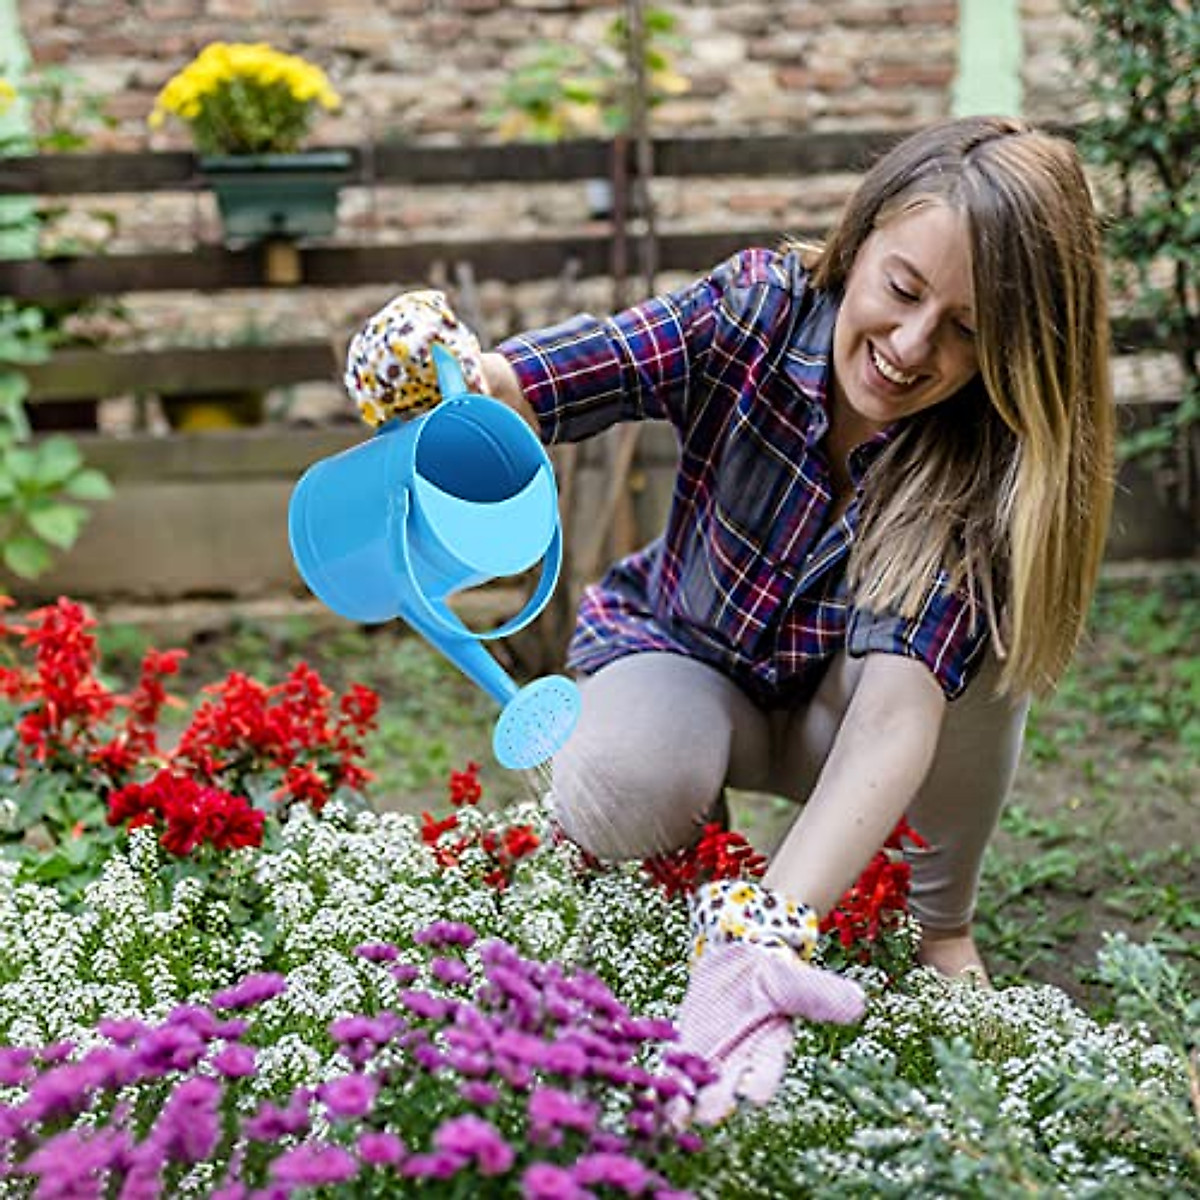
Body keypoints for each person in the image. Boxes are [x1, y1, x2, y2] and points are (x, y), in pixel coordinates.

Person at [344, 115, 1115, 1121]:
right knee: (618, 781)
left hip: (844, 719)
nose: (912, 347)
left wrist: (764, 942)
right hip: (687, 658)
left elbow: (891, 719)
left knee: (978, 688)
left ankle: (939, 930)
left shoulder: (981, 460)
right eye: (903, 290)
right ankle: (686, 878)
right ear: (864, 236)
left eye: (968, 331)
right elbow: (567, 374)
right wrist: (448, 380)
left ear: (1014, 348)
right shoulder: (756, 309)